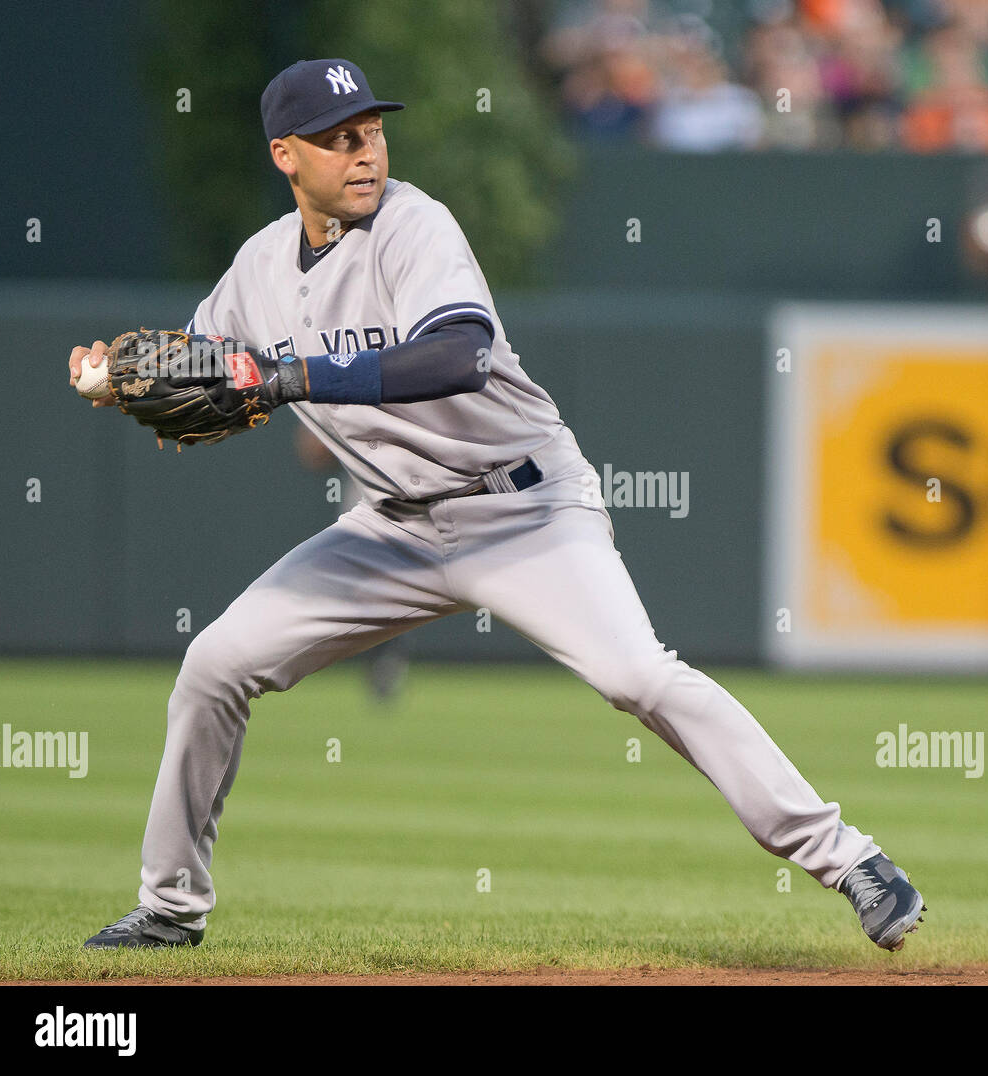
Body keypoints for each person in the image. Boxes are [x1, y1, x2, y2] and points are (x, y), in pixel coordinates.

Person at [70, 58, 924, 954]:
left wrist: (291, 375)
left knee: (640, 676)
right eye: (338, 140)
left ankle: (850, 858)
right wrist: (119, 383)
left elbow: (456, 358)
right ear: (286, 156)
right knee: (213, 664)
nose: (365, 154)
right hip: (393, 527)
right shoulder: (256, 270)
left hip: (525, 509)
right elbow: (205, 372)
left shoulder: (413, 224)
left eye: (372, 131)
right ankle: (169, 910)